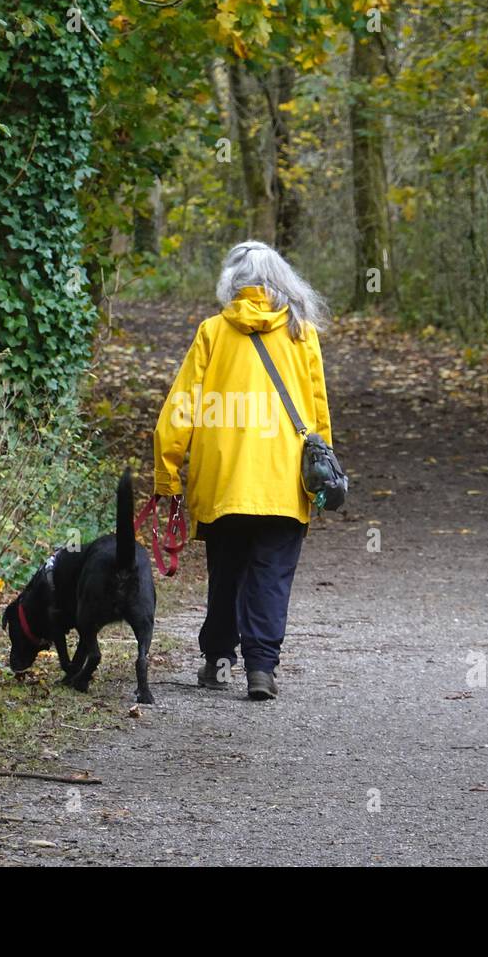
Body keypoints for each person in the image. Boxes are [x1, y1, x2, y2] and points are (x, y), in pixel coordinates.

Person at [152, 241, 333, 700]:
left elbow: (181, 408)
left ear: (232, 283)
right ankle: (261, 670)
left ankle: (217, 661)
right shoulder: (301, 333)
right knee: (271, 573)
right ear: (283, 281)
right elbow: (317, 411)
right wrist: (323, 472)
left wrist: (167, 475)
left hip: (224, 480)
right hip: (283, 478)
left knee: (227, 572)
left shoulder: (213, 331)